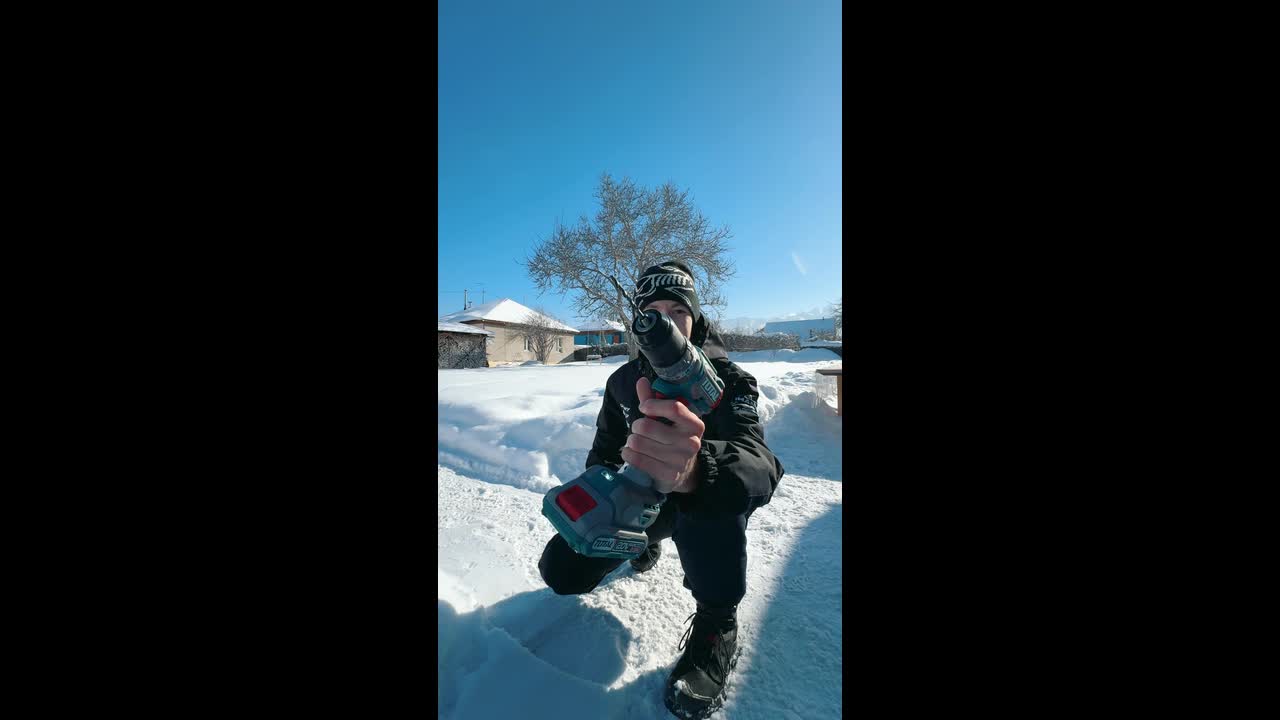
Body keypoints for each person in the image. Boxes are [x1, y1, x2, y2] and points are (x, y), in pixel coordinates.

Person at [537, 260, 784, 719]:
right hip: (641, 506)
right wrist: (608, 501)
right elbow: (605, 452)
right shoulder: (622, 382)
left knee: (711, 505)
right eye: (653, 309)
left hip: (703, 502)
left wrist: (695, 469)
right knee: (561, 570)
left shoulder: (729, 380)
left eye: (678, 309)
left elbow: (761, 466)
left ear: (695, 317)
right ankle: (641, 545)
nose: (667, 320)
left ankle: (717, 623)